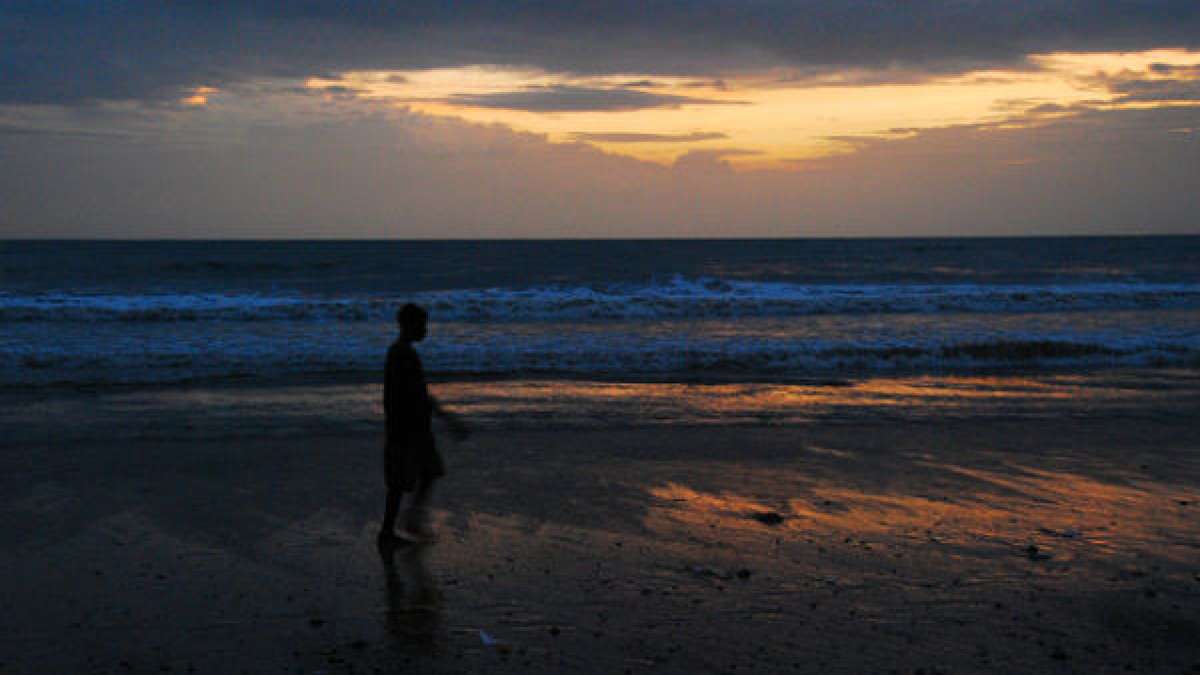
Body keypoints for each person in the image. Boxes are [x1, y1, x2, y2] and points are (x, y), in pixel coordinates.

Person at [379, 303, 468, 545]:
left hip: (407, 426)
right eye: (422, 325)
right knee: (414, 477)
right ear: (409, 325)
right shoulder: (403, 354)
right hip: (410, 427)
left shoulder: (399, 352)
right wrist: (448, 419)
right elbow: (415, 394)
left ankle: (399, 525)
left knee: (415, 477)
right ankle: (402, 525)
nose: (426, 330)